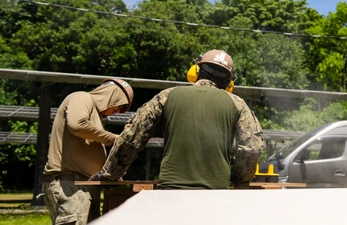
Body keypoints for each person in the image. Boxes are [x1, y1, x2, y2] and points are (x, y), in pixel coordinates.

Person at [92, 50, 264, 190]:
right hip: (215, 195)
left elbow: (133, 135)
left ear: (196, 71)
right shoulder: (238, 104)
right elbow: (253, 147)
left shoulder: (167, 96)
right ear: (228, 81)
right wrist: (240, 181)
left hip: (171, 193)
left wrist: (111, 174)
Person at [42, 78, 134, 225]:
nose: (117, 112)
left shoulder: (94, 114)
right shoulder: (82, 97)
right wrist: (113, 139)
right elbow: (77, 124)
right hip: (69, 184)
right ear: (112, 96)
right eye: (120, 106)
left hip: (83, 185)